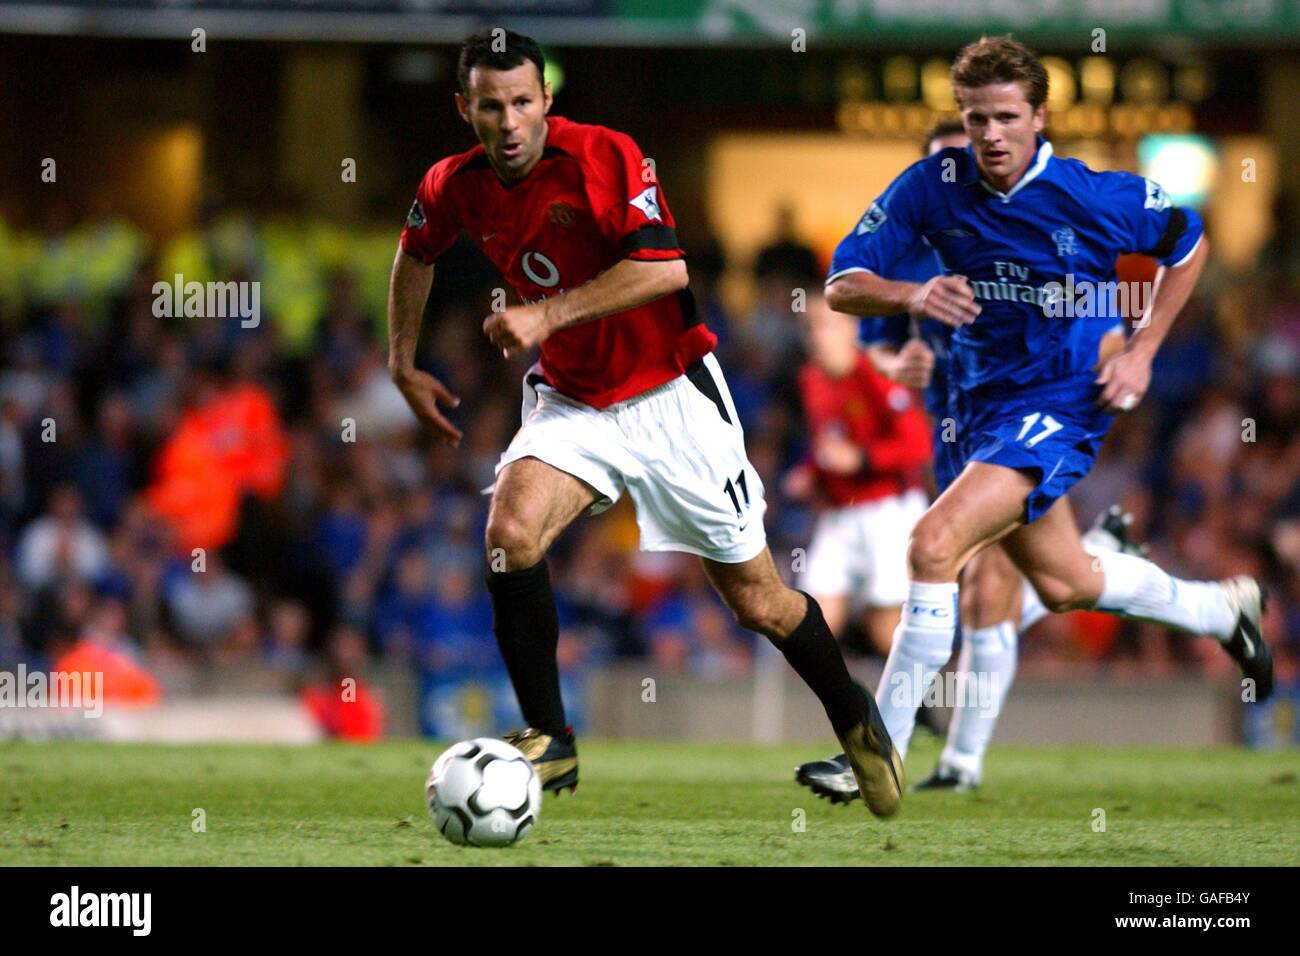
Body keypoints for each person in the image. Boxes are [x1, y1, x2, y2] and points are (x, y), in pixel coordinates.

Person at [386, 29, 902, 815]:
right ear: (467, 110)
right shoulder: (453, 182)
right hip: (574, 399)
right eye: (491, 106)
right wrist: (401, 360)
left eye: (524, 101)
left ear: (546, 101)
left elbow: (665, 268)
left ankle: (857, 719)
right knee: (509, 533)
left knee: (757, 600)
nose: (510, 120)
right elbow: (415, 251)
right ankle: (551, 740)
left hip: (672, 397)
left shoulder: (605, 156)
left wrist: (544, 314)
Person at [802, 36, 1271, 806]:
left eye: (1005, 117)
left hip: (1056, 407)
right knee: (1063, 583)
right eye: (975, 117)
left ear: (1040, 117)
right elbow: (843, 284)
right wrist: (912, 297)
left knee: (934, 544)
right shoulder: (932, 185)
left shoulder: (1093, 197)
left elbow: (1188, 245)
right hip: (970, 414)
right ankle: (1221, 609)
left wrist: (1144, 350)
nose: (989, 134)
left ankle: (876, 751)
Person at [796, 121, 1145, 799]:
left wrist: (1120, 355)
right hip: (952, 443)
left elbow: (1100, 316)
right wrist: (903, 360)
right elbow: (880, 346)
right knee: (1045, 583)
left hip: (1019, 431)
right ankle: (1130, 565)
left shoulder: (1036, 234)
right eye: (940, 166)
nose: (953, 176)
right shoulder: (908, 250)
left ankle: (934, 756)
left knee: (971, 576)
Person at [784, 293, 931, 656]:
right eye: (812, 326)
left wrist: (862, 460)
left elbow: (918, 445)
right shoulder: (811, 379)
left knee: (886, 627)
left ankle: (924, 710)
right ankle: (842, 710)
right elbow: (831, 443)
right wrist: (810, 472)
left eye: (829, 325)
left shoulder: (875, 372)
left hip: (888, 509)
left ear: (853, 330)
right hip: (840, 512)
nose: (818, 335)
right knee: (812, 621)